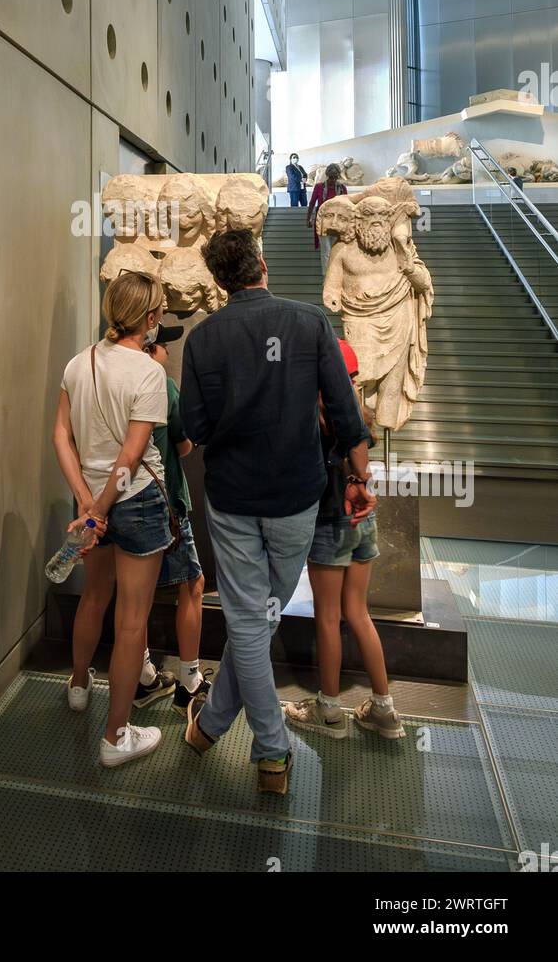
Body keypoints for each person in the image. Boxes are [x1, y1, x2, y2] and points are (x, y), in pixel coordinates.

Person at [179, 229, 373, 794]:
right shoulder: (311, 322)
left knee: (249, 622)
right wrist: (359, 478)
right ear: (263, 264)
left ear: (218, 281)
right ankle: (271, 752)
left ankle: (212, 723)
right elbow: (343, 409)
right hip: (296, 499)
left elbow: (195, 426)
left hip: (234, 497)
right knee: (257, 619)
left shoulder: (204, 339)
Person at [52, 270, 176, 768]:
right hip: (136, 501)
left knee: (94, 596)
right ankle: (115, 736)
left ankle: (79, 684)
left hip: (91, 505)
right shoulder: (149, 373)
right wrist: (102, 506)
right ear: (148, 318)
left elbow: (61, 436)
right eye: (159, 312)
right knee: (131, 622)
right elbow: (132, 454)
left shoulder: (79, 363)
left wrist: (84, 500)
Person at [284, 341, 405, 741]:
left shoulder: (310, 418)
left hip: (328, 524)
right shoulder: (359, 416)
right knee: (358, 612)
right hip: (361, 522)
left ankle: (329, 709)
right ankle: (385, 710)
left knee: (327, 618)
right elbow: (360, 470)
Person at [143, 325, 211, 713]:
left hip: (116, 500)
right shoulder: (161, 384)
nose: (168, 350)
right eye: (164, 343)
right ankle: (189, 679)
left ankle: (142, 676)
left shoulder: (99, 372)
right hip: (166, 501)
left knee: (135, 596)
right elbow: (184, 444)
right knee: (192, 583)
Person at [307, 162, 347, 273]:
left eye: (335, 177)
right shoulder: (319, 187)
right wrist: (308, 218)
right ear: (327, 175)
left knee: (336, 250)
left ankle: (336, 274)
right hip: (323, 222)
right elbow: (311, 203)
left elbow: (347, 205)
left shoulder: (342, 188)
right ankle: (327, 277)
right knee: (326, 251)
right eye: (331, 177)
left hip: (337, 223)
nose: (333, 180)